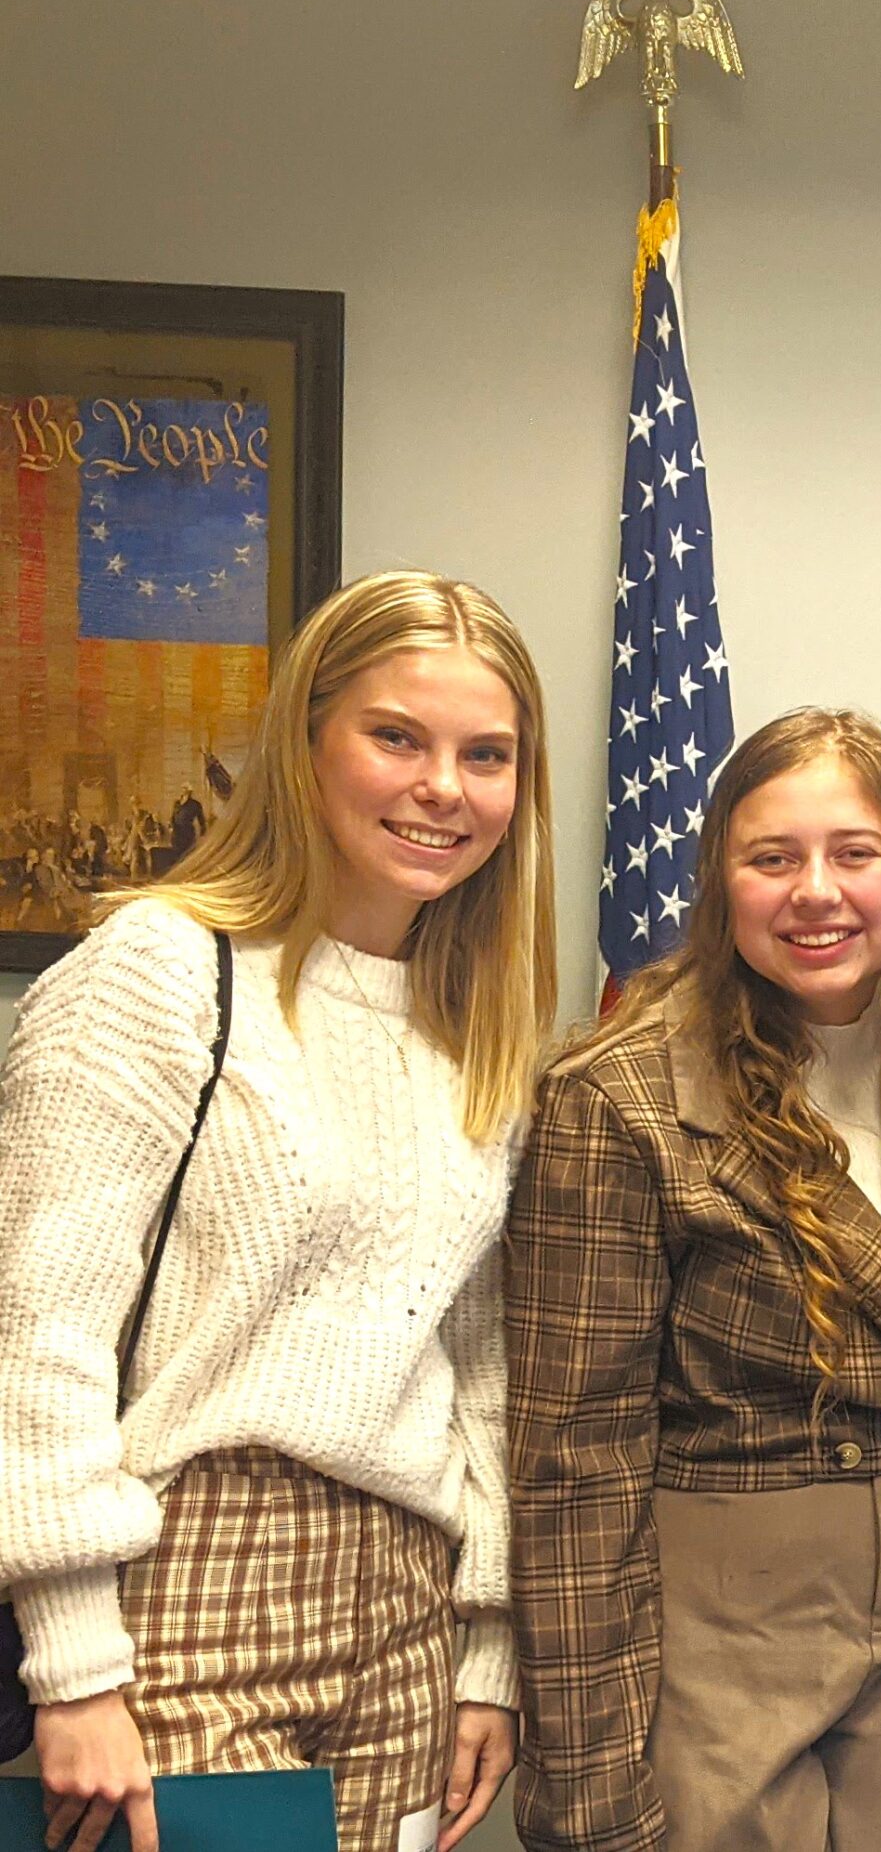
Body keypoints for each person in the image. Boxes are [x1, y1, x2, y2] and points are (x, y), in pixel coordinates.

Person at [0, 571, 557, 1852]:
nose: (443, 788)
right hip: (189, 1582)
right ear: (307, 742)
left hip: (406, 1605)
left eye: (486, 755)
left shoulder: (476, 1028)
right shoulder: (159, 968)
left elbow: (477, 1354)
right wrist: (74, 1663)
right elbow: (44, 1335)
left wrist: (488, 1644)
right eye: (396, 736)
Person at [508, 708, 881, 1852]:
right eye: (772, 857)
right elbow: (571, 1459)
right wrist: (586, 1772)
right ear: (718, 883)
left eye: (855, 851)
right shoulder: (619, 1096)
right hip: (723, 1606)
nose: (816, 891)